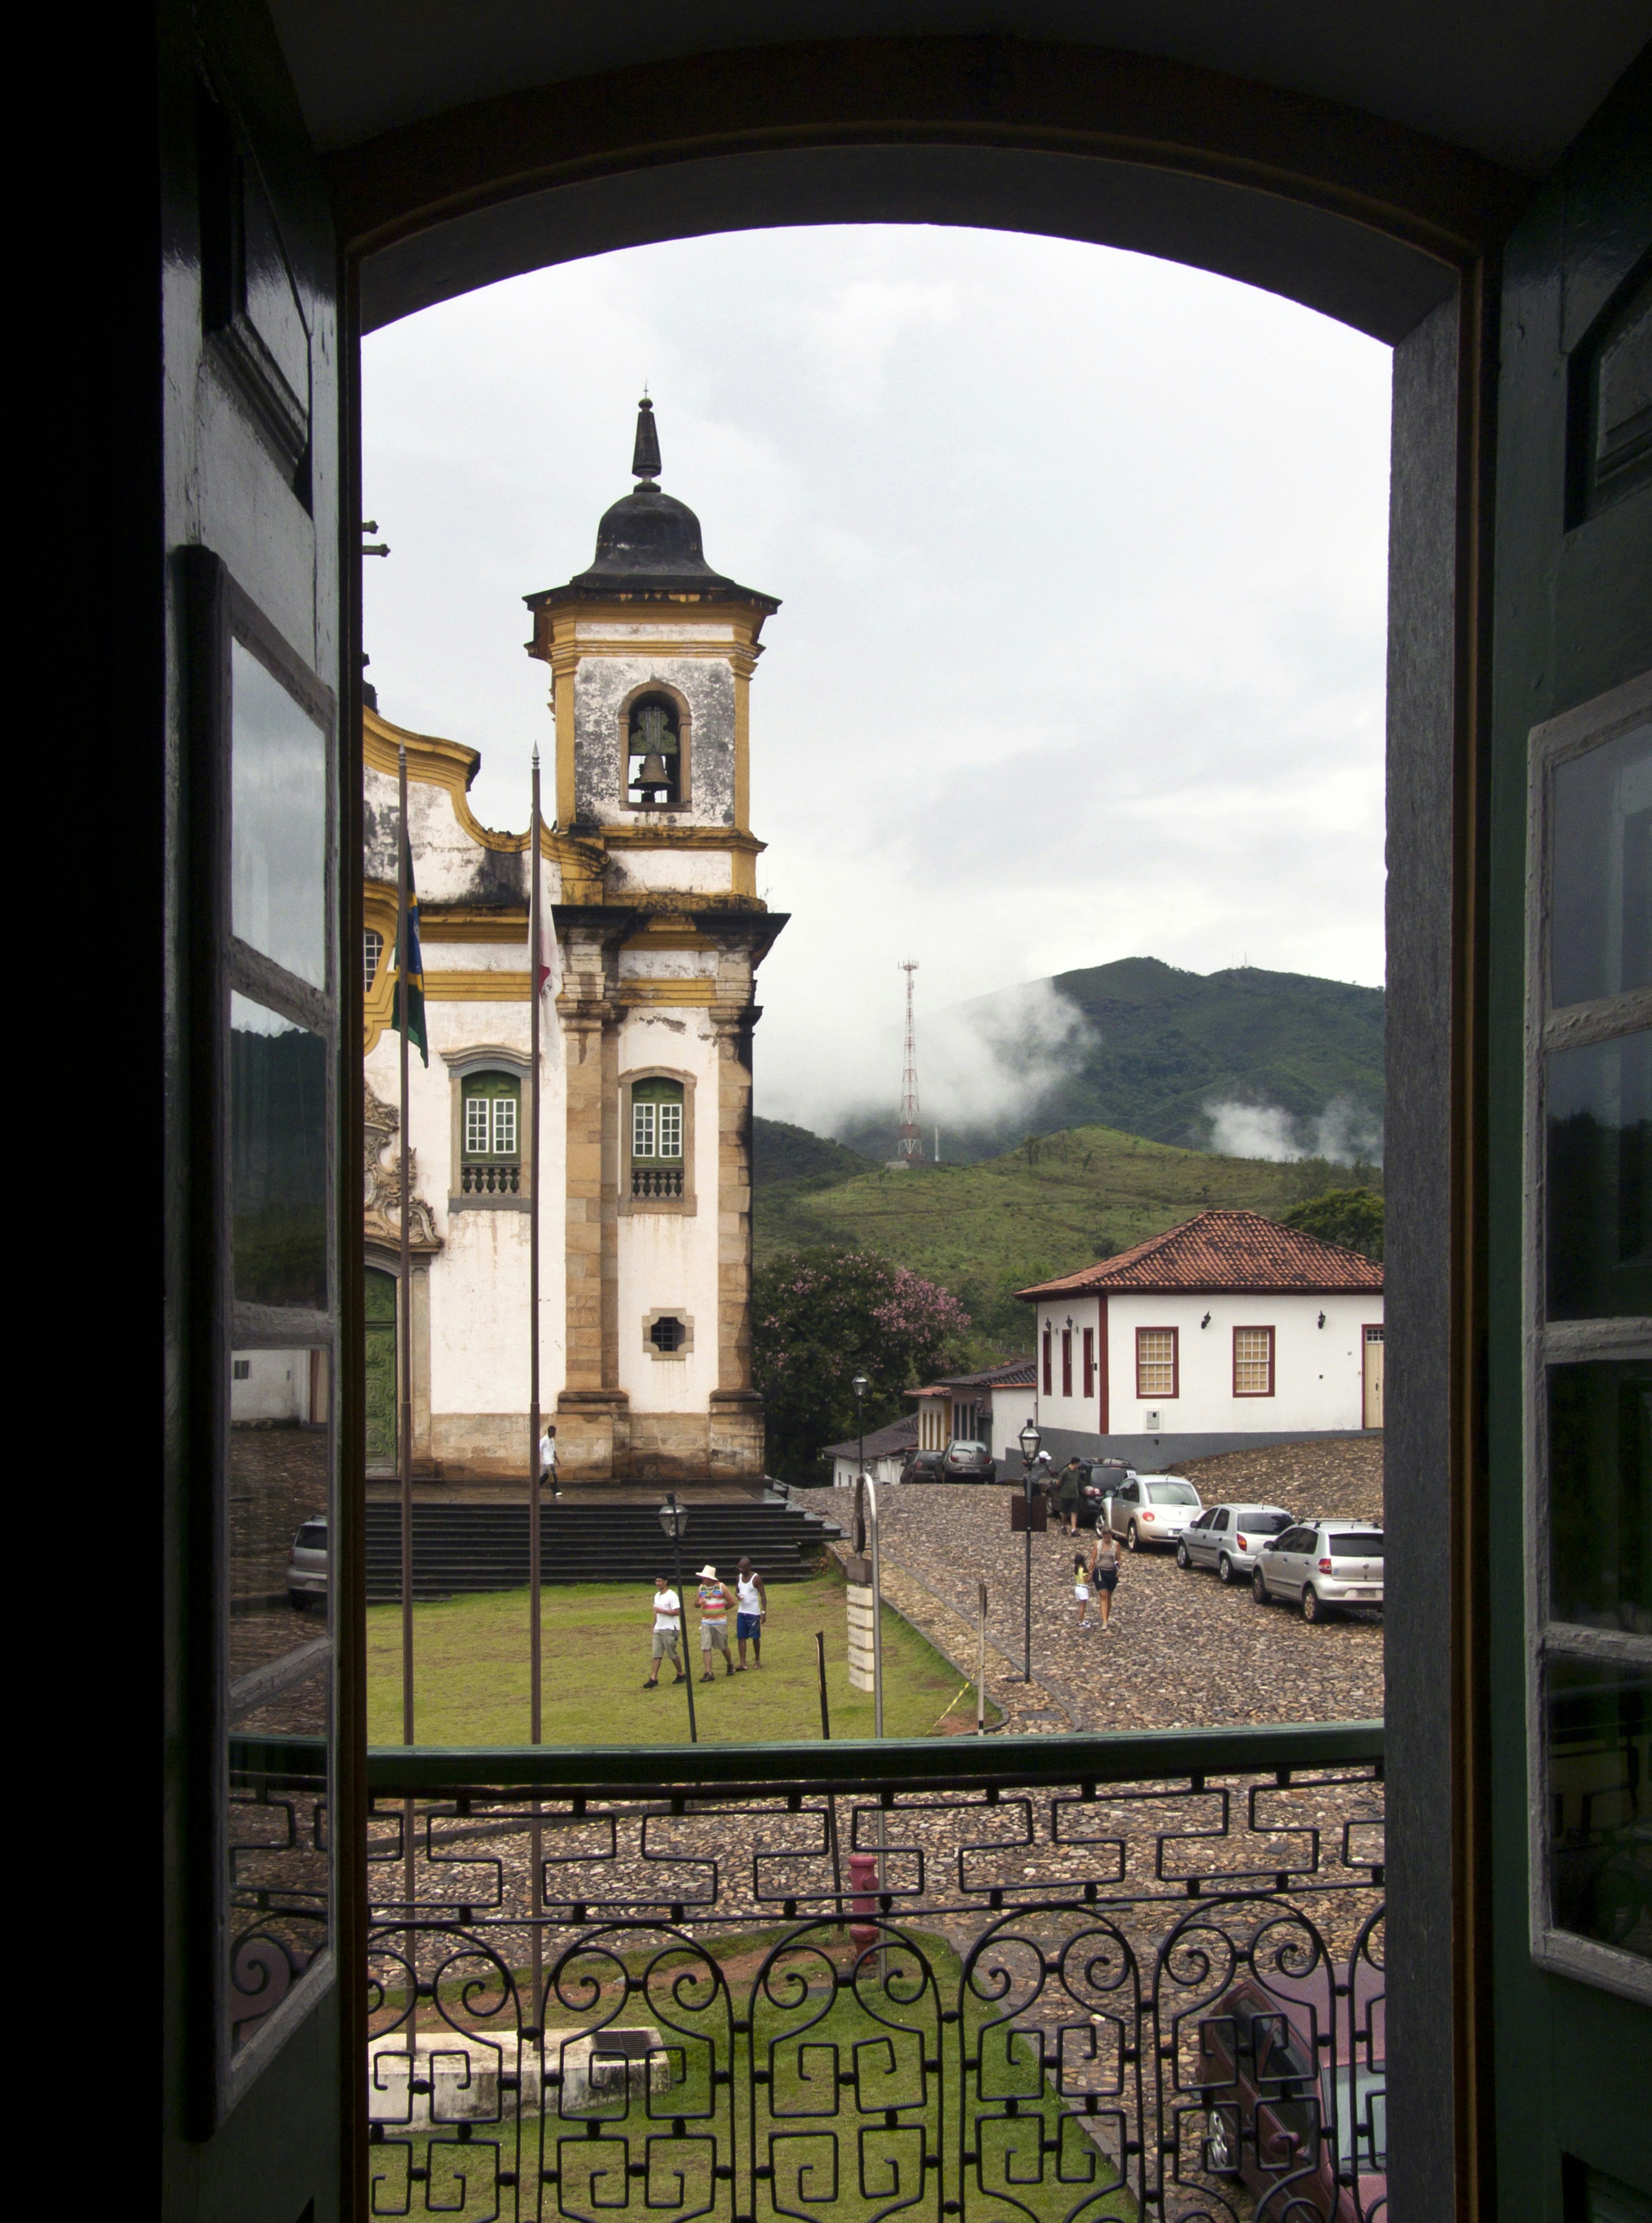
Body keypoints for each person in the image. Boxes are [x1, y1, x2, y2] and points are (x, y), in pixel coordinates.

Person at [695, 1563, 737, 1681]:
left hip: (720, 1622)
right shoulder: (701, 1588)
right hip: (706, 1622)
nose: (703, 1579)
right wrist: (700, 1602)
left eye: (705, 1577)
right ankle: (709, 1672)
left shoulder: (721, 1587)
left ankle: (730, 1664)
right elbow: (695, 1604)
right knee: (706, 1647)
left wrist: (722, 1609)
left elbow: (732, 1602)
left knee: (723, 1646)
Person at [643, 1574, 685, 1688]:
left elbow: (677, 1612)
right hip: (659, 1629)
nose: (658, 1583)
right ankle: (653, 1678)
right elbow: (656, 1613)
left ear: (666, 1582)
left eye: (660, 1581)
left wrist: (663, 1611)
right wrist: (654, 1626)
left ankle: (680, 1673)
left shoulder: (672, 1596)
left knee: (672, 1653)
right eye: (656, 1581)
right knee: (656, 1654)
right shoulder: (657, 1596)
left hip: (670, 1629)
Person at [734, 1557, 768, 1670]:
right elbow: (737, 1590)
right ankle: (743, 1663)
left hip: (753, 1612)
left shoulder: (756, 1578)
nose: (740, 1569)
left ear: (749, 1567)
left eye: (743, 1567)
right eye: (740, 1567)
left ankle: (757, 1659)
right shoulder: (738, 1578)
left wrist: (763, 1612)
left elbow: (763, 1595)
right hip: (742, 1611)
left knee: (755, 1637)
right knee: (741, 1637)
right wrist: (738, 1596)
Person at [1089, 1525, 1123, 1631]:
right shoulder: (1098, 1545)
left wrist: (1118, 1570)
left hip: (1112, 1572)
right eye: (1105, 1537)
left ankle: (1107, 1618)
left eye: (1109, 1537)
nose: (1107, 1539)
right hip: (1100, 1571)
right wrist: (1090, 1572)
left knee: (1109, 1596)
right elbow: (1093, 1559)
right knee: (1103, 1595)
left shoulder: (1116, 1545)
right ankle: (1104, 1621)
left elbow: (1118, 1560)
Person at [1058, 1457, 1085, 1535]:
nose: (1079, 1466)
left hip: (1075, 1495)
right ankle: (1063, 1526)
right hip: (1066, 1495)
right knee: (1065, 1512)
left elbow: (1077, 1482)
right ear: (1075, 1463)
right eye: (1078, 1464)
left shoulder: (1077, 1472)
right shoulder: (1065, 1471)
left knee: (1074, 1512)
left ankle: (1074, 1529)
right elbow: (1059, 1482)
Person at [539, 1420, 562, 1501]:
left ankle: (536, 1486)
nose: (555, 1434)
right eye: (554, 1432)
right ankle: (556, 1491)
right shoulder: (544, 1440)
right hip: (547, 1461)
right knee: (553, 1476)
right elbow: (539, 1449)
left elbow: (554, 1451)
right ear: (550, 1432)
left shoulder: (552, 1440)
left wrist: (557, 1460)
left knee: (546, 1476)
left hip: (551, 1461)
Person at [1073, 1551, 1093, 1629]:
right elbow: (1086, 1581)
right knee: (1083, 1607)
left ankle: (1082, 1620)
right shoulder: (1083, 1570)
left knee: (1082, 1606)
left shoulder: (1076, 1570)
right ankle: (1081, 1622)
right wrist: (1090, 1575)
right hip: (1083, 1589)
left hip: (1077, 1587)